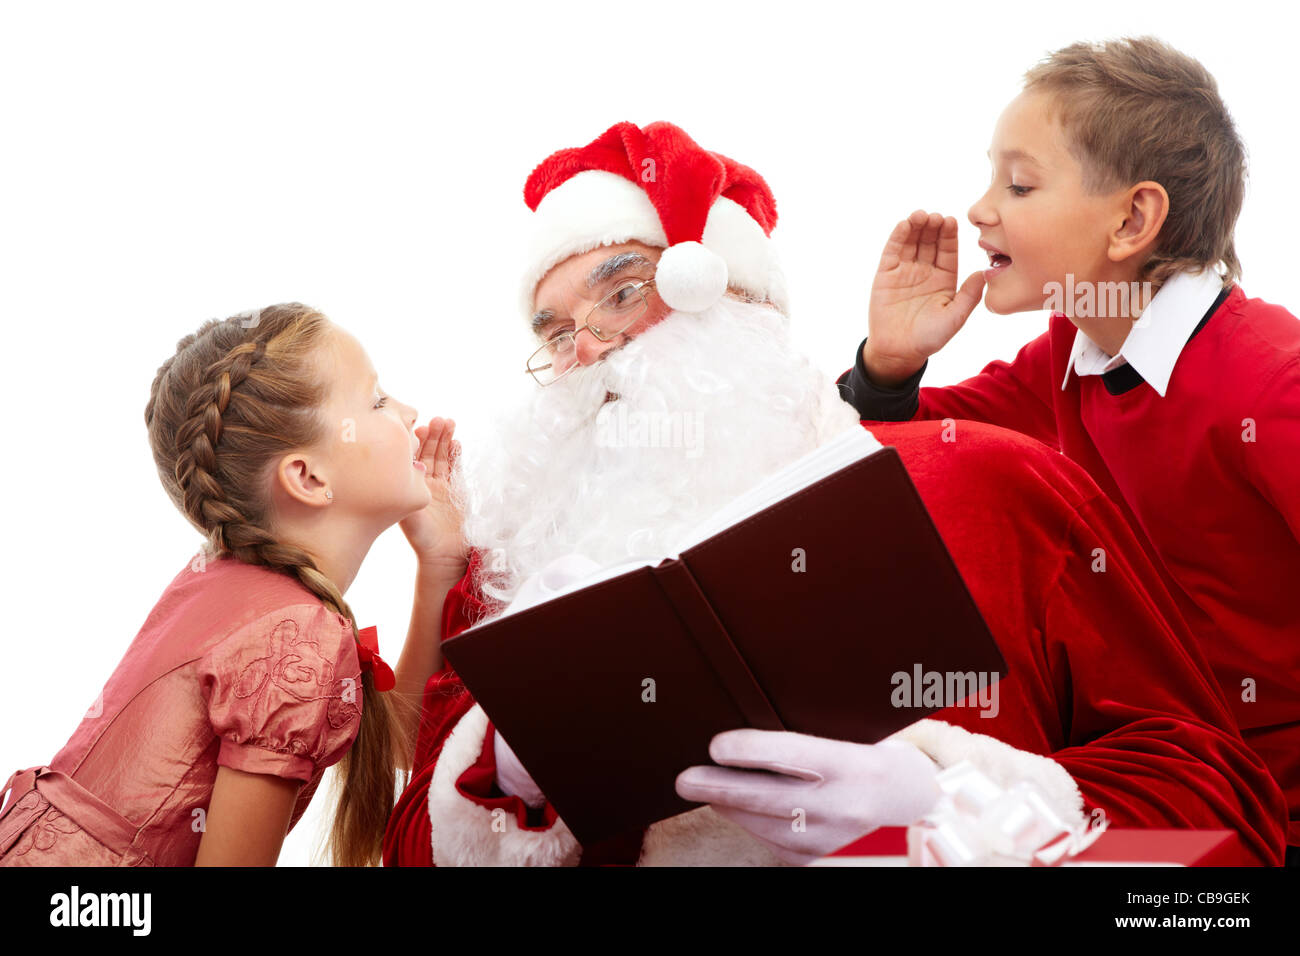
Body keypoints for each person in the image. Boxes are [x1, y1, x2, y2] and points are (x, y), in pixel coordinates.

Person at [382, 121, 1286, 867]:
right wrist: (504, 774)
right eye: (554, 329)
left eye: (622, 292)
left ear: (730, 299)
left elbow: (1223, 826)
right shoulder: (502, 581)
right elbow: (408, 847)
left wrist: (957, 816)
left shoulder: (986, 482)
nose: (588, 348)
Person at [837, 37, 1300, 862]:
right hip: (1131, 756)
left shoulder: (1270, 381)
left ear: (1131, 219)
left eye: (1019, 185)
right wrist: (892, 364)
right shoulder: (1069, 354)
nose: (981, 209)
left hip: (1257, 806)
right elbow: (900, 458)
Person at [0, 303, 466, 866]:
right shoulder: (293, 635)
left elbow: (393, 739)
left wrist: (438, 563)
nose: (409, 411)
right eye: (376, 400)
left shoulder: (224, 579)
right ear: (307, 476)